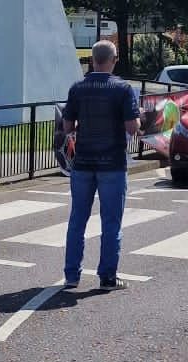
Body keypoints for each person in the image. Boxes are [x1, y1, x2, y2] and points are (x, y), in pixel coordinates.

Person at [60, 40, 141, 292]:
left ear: (92, 59)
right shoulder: (123, 89)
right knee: (111, 221)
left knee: (77, 220)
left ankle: (72, 275)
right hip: (112, 164)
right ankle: (107, 276)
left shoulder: (78, 88)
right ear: (114, 60)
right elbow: (132, 128)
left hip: (83, 163)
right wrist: (142, 123)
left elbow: (67, 127)